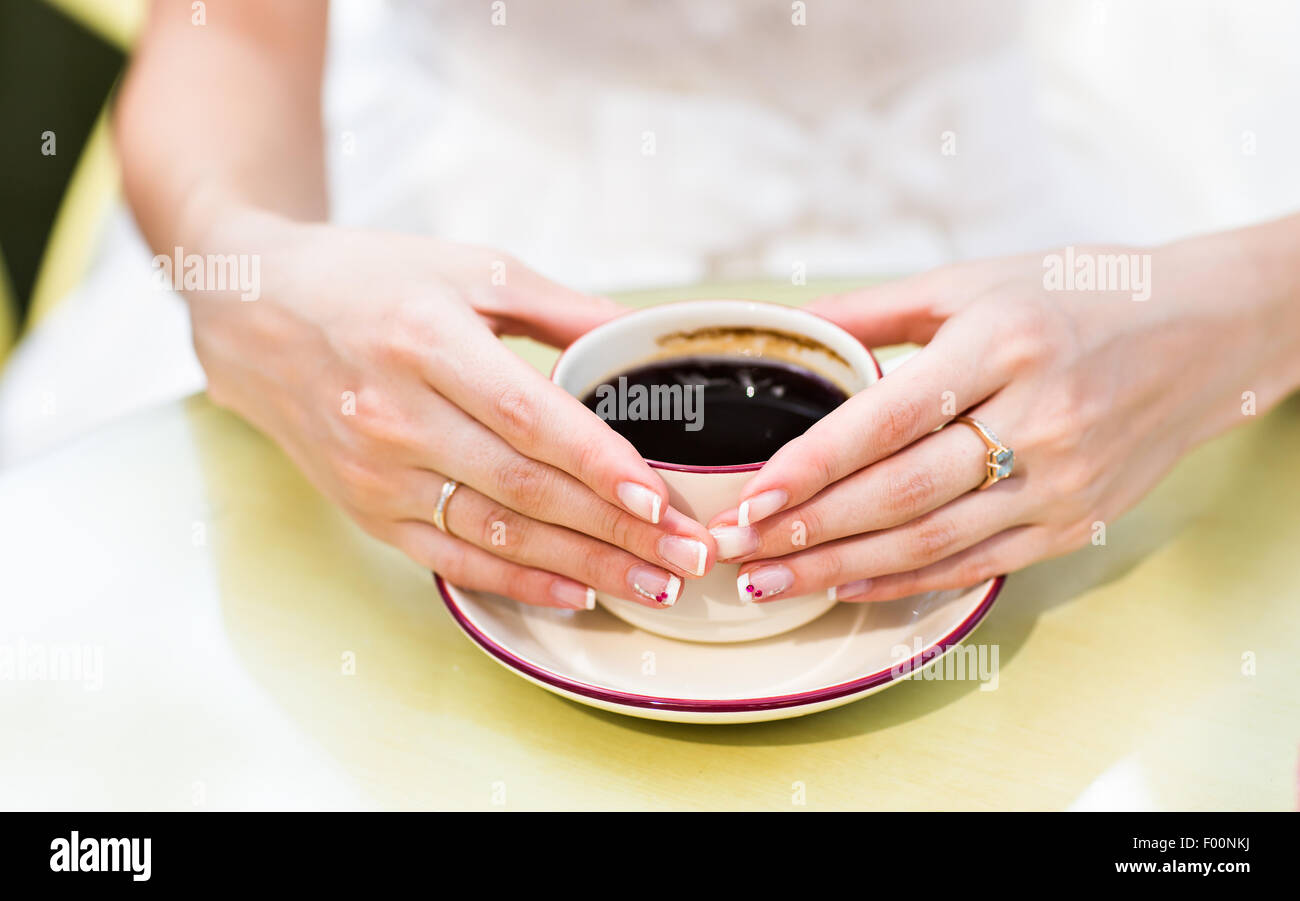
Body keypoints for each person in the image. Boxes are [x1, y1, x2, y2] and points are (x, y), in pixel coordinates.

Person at [115, 0, 1300, 610]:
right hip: (465, 252)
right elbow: (231, 39)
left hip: (1051, 296)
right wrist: (252, 274)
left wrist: (1241, 314)